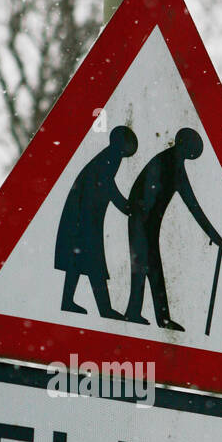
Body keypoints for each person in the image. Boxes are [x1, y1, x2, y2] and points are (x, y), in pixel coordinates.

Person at [124, 128, 222, 331]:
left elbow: (192, 205)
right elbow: (142, 192)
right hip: (141, 221)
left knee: (152, 267)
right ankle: (135, 313)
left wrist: (214, 235)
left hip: (148, 223)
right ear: (183, 144)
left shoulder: (176, 167)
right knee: (142, 265)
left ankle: (160, 318)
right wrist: (141, 215)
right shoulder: (164, 161)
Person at [54, 125, 138, 319]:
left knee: (79, 260)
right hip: (84, 216)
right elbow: (107, 185)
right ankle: (103, 309)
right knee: (92, 261)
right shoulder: (110, 158)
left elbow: (105, 185)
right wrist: (128, 208)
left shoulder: (110, 156)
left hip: (83, 215)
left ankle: (70, 302)